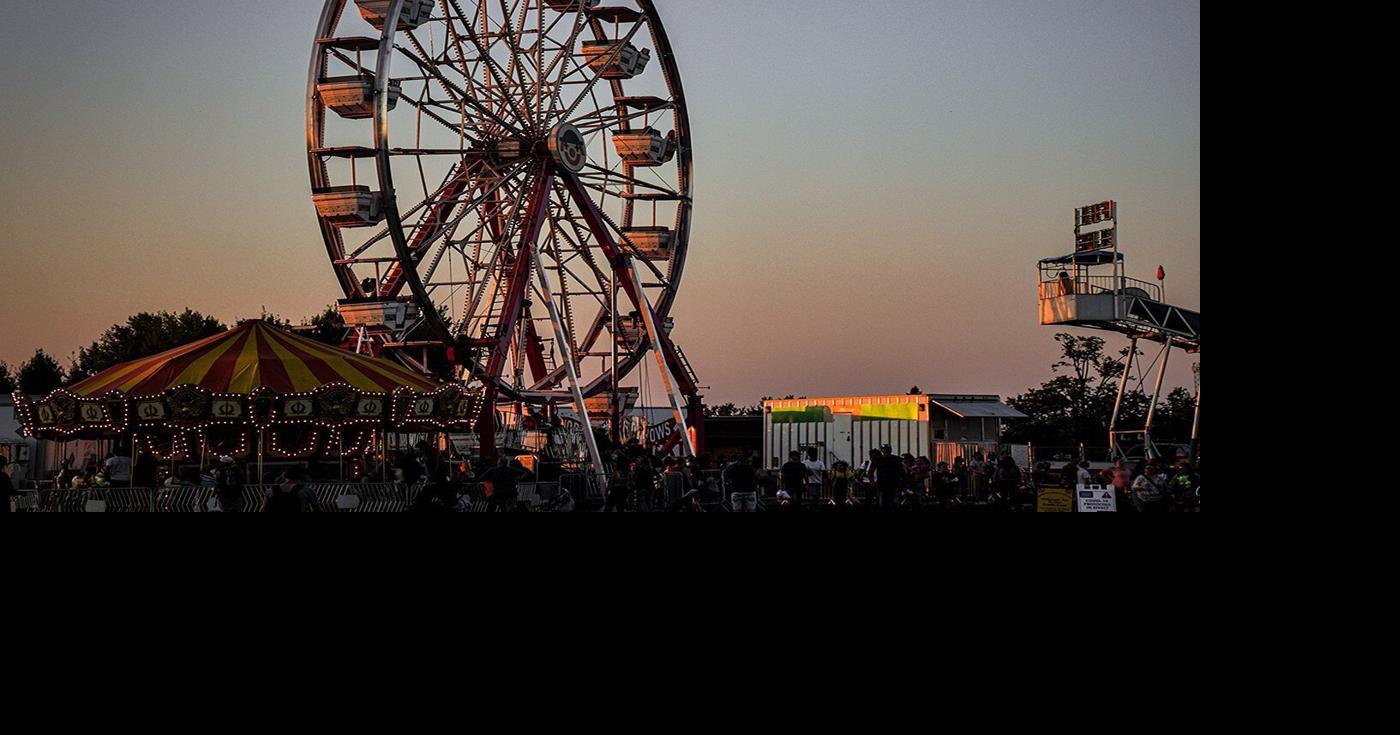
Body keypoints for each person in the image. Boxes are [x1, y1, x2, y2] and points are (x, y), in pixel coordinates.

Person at [875, 447, 905, 511]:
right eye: (884, 449)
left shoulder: (896, 459)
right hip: (882, 484)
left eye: (887, 449)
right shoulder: (878, 459)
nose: (886, 451)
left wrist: (903, 479)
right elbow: (871, 470)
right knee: (883, 502)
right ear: (882, 450)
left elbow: (902, 470)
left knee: (894, 502)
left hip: (894, 483)